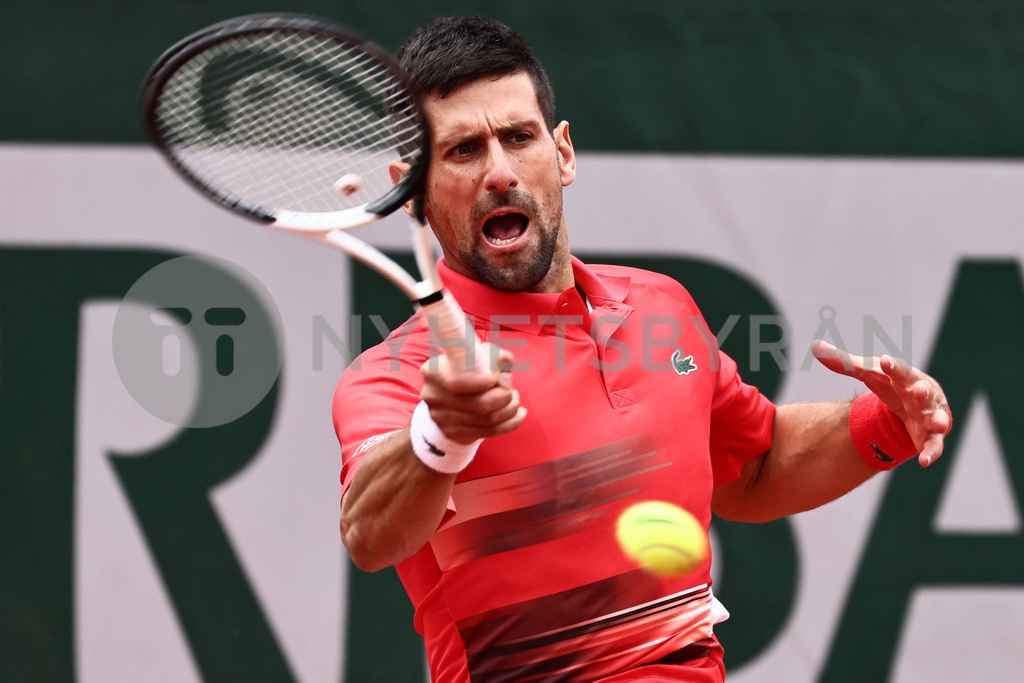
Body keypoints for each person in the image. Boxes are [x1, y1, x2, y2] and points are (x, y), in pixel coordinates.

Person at [333, 15, 951, 683]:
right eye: (463, 151)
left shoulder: (661, 308)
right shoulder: (392, 379)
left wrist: (884, 422)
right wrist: (439, 433)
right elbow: (371, 535)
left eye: (518, 138)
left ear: (563, 153)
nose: (500, 173)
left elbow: (752, 467)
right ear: (410, 187)